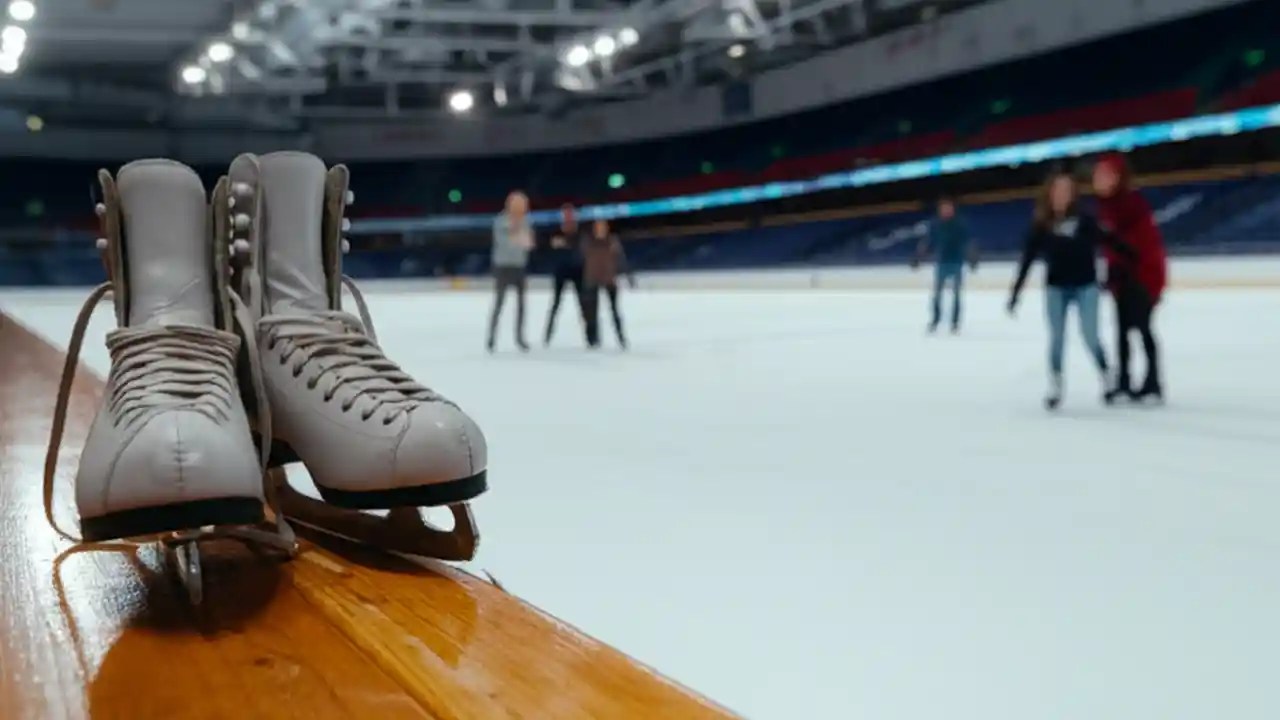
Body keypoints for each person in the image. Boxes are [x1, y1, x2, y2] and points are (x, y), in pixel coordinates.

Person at [1008, 171, 1134, 410]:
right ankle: (1056, 385)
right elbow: (1027, 260)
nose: (1061, 195)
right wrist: (1015, 294)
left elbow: (1111, 240)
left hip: (1086, 286)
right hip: (1056, 289)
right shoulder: (1041, 225)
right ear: (1049, 193)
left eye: (1067, 190)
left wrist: (1132, 258)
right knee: (1056, 339)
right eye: (1057, 190)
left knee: (1090, 336)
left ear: (1073, 194)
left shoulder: (1085, 220)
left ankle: (1107, 376)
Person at [1092, 152, 1168, 402]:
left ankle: (1153, 382)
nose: (1098, 179)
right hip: (1121, 278)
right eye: (1097, 174)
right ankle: (1124, 380)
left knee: (1143, 328)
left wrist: (1139, 274)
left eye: (1105, 175)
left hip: (1142, 276)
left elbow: (1144, 245)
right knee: (1122, 331)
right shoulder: (1105, 207)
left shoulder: (1132, 204)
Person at [915, 195, 977, 334]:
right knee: (937, 294)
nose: (946, 210)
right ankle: (935, 320)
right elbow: (928, 243)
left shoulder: (960, 224)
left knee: (956, 294)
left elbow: (968, 242)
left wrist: (972, 258)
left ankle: (955, 322)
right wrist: (918, 258)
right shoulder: (936, 224)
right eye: (943, 208)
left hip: (956, 262)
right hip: (941, 262)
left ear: (953, 209)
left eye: (948, 208)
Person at [486, 190, 534, 352]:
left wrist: (521, 238)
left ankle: (520, 337)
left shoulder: (526, 222)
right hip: (503, 266)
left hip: (519, 265)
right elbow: (504, 242)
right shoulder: (500, 221)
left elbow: (528, 243)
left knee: (521, 304)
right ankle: (491, 337)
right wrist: (517, 236)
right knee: (499, 302)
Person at [581, 218, 634, 349]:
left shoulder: (612, 241)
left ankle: (621, 338)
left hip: (609, 279)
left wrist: (628, 276)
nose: (600, 229)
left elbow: (621, 260)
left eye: (603, 227)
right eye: (598, 227)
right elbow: (580, 259)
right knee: (592, 313)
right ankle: (593, 340)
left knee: (614, 311)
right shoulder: (587, 242)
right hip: (592, 279)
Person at [543, 204, 590, 346]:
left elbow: (583, 248)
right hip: (561, 271)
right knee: (556, 304)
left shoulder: (581, 232)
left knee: (584, 305)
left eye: (571, 214)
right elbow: (546, 248)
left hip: (578, 271)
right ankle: (548, 335)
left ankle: (591, 336)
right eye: (566, 214)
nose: (568, 217)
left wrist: (564, 244)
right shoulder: (555, 231)